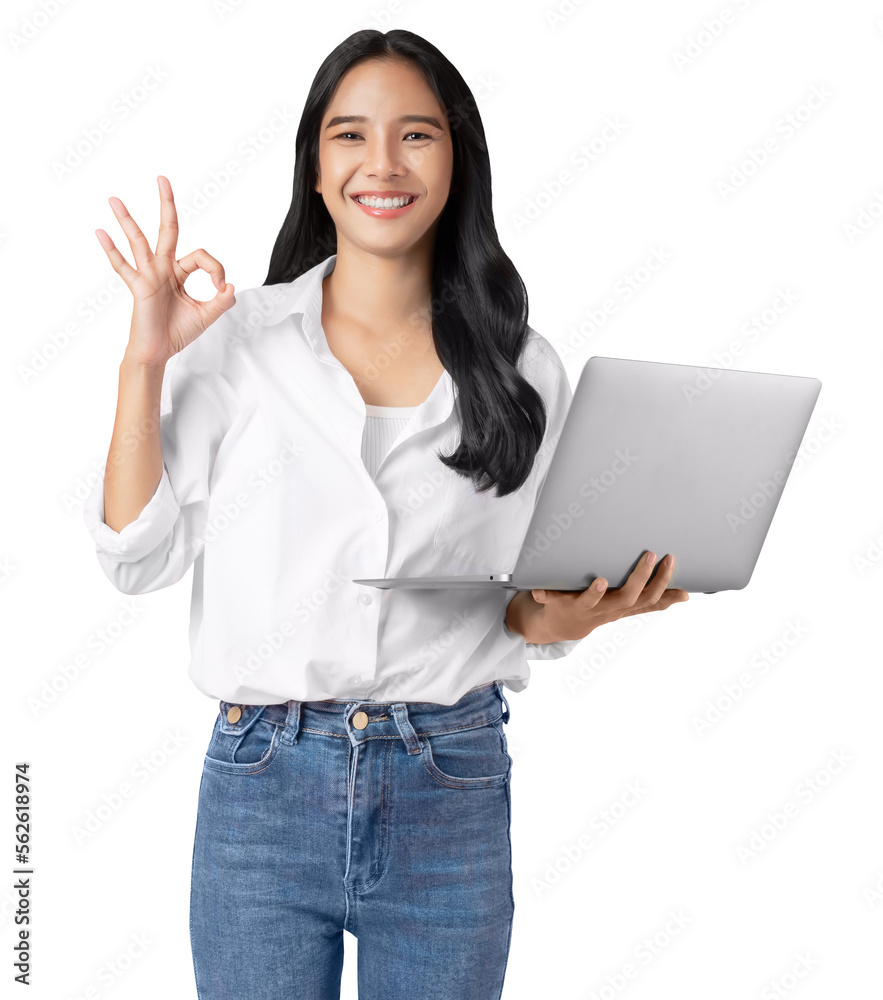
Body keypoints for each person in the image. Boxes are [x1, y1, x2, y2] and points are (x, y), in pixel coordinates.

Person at [84, 28, 689, 1000]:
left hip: (447, 783)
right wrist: (143, 360)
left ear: (456, 160)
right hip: (261, 789)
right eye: (348, 136)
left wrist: (571, 615)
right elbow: (136, 555)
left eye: (416, 135)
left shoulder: (522, 368)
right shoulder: (237, 341)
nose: (382, 164)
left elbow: (518, 606)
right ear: (314, 169)